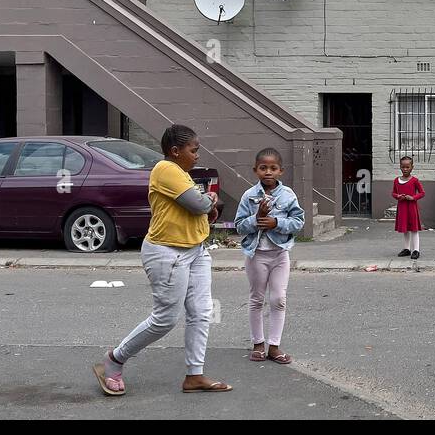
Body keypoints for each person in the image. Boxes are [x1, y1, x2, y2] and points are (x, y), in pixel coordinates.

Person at [94, 124, 230, 396]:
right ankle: (114, 359)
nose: (197, 156)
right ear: (175, 151)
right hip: (168, 252)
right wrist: (210, 199)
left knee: (201, 314)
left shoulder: (182, 173)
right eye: (194, 150)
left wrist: (208, 203)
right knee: (165, 319)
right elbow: (200, 205)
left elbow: (201, 210)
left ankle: (195, 375)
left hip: (196, 250)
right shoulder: (165, 169)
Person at [235, 147, 305, 366]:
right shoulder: (249, 195)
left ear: (281, 171)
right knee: (257, 299)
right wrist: (257, 219)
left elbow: (299, 222)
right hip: (256, 255)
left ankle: (274, 346)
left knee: (278, 299)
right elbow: (238, 226)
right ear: (255, 170)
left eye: (273, 168)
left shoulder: (288, 195)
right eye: (263, 168)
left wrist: (277, 223)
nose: (268, 172)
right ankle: (258, 343)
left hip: (279, 254)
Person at [393, 156, 425, 259]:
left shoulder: (415, 180)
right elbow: (393, 193)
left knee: (414, 229)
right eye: (403, 167)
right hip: (402, 208)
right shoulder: (396, 180)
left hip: (412, 208)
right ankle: (407, 248)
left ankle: (416, 250)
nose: (405, 169)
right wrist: (398, 196)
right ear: (400, 167)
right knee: (405, 229)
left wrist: (413, 197)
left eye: (407, 167)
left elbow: (422, 193)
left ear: (412, 167)